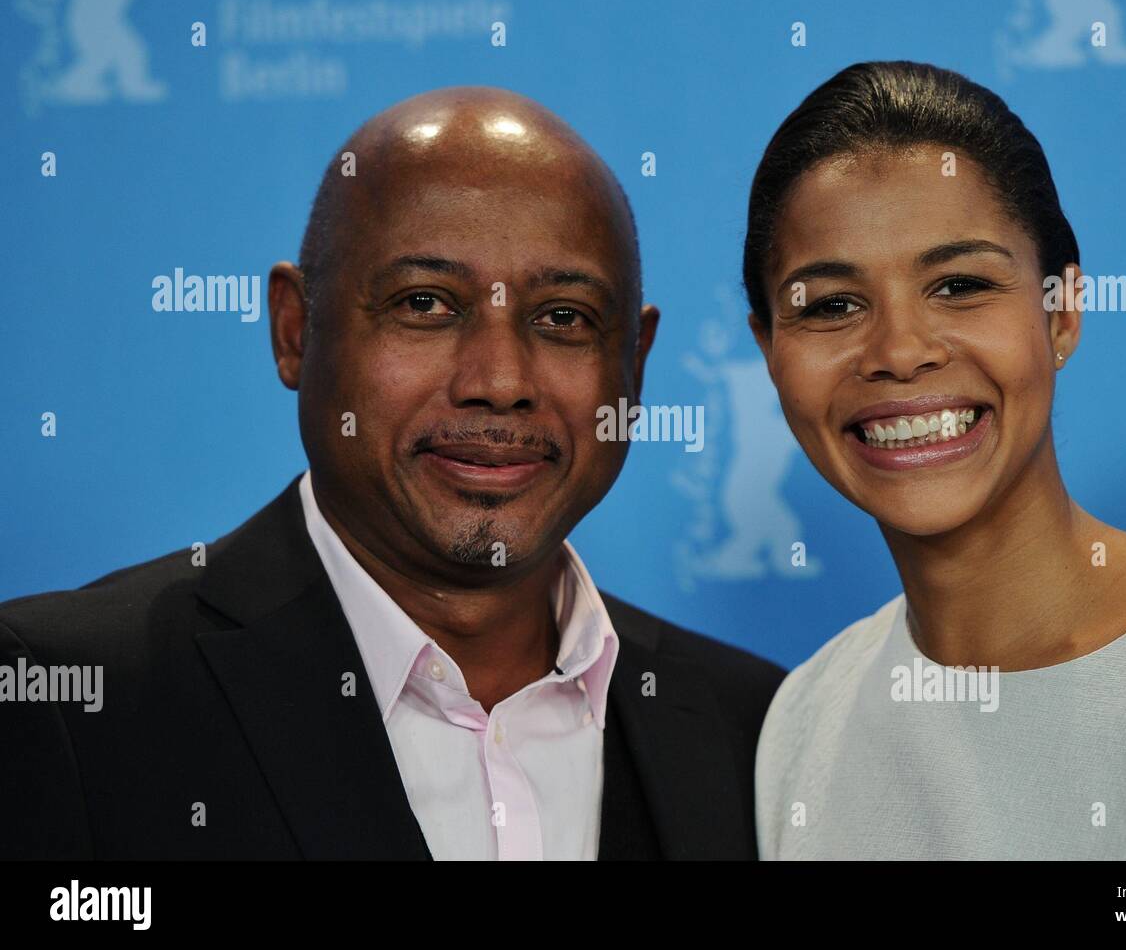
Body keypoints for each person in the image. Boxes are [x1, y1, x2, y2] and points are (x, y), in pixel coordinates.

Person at [0, 87, 784, 860]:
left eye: (563, 318)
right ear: (295, 330)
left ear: (634, 366)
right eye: (426, 304)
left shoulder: (756, 731)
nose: (501, 379)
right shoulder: (65, 696)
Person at [747, 62, 1126, 859]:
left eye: (960, 284)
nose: (900, 352)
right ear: (768, 348)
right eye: (832, 305)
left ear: (1063, 313)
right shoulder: (803, 721)